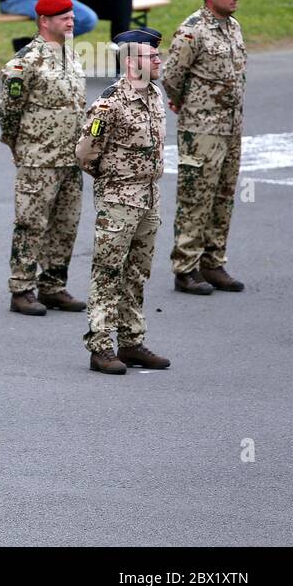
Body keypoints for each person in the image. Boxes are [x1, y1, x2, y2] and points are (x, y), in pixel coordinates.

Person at [75, 28, 172, 374]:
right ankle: (101, 347)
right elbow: (86, 152)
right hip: (119, 197)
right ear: (132, 63)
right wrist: (112, 180)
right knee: (108, 272)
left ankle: (131, 341)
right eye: (152, 57)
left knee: (137, 271)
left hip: (149, 196)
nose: (159, 61)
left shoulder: (155, 95)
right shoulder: (109, 103)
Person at [0, 0, 88, 316]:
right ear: (45, 21)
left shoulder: (71, 55)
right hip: (38, 158)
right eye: (64, 17)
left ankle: (53, 285)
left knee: (66, 224)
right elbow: (8, 112)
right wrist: (20, 147)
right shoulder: (24, 63)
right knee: (31, 224)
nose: (71, 21)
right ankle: (22, 289)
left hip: (71, 158)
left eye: (72, 16)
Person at [163, 0, 248, 295]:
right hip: (201, 128)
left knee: (223, 196)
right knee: (195, 198)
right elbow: (171, 76)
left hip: (231, 128)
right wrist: (182, 102)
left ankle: (213, 263)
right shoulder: (192, 31)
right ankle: (185, 268)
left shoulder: (233, 27)